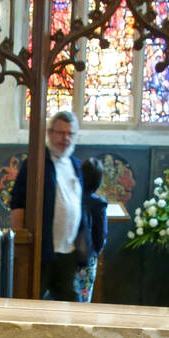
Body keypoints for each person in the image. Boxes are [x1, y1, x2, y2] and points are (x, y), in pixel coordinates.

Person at [9, 109, 90, 301]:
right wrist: (21, 245)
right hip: (40, 251)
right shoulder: (36, 164)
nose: (65, 138)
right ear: (50, 133)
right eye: (60, 133)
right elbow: (18, 204)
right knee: (29, 303)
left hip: (68, 252)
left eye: (70, 134)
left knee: (70, 307)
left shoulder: (76, 165)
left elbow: (81, 206)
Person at [75, 158, 108, 303]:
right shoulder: (99, 203)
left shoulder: (72, 197)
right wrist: (96, 252)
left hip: (67, 255)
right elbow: (100, 234)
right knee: (83, 299)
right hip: (88, 257)